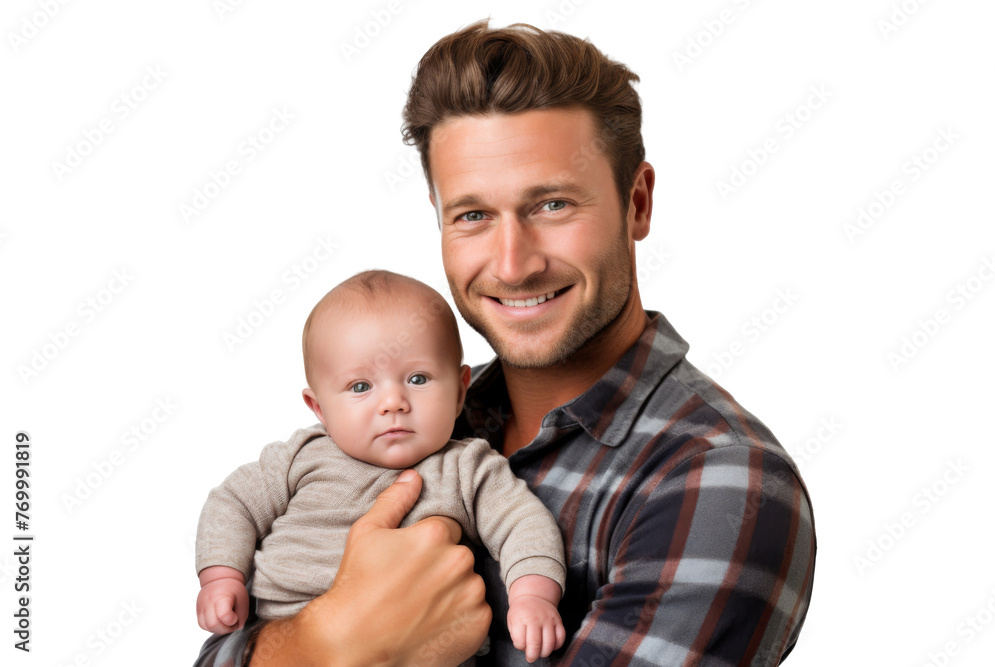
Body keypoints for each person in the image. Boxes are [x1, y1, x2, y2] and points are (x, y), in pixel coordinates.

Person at [195, 19, 816, 667]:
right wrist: (325, 642)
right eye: (473, 215)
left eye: (551, 205)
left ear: (636, 203)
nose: (513, 263)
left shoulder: (718, 480)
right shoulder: (414, 410)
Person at [195, 270, 566, 664]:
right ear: (319, 407)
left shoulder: (468, 467)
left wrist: (533, 595)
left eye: (418, 378)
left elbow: (522, 523)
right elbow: (233, 504)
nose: (393, 402)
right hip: (291, 628)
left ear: (460, 391)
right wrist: (221, 576)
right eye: (360, 387)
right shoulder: (300, 456)